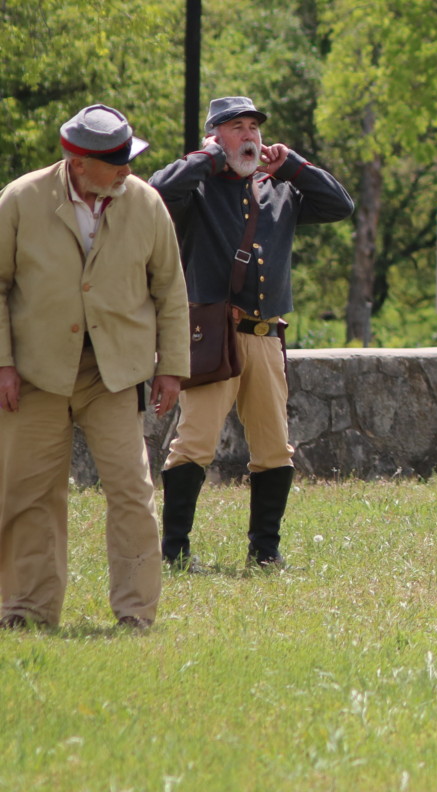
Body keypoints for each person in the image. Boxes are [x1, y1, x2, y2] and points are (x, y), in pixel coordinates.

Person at [0, 105, 188, 630]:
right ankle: (25, 610)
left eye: (130, 155)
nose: (127, 167)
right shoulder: (19, 200)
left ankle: (136, 614)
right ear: (78, 162)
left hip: (114, 374)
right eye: (115, 159)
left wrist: (171, 367)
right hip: (36, 372)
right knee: (28, 492)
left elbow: (171, 289)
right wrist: (2, 364)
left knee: (132, 490)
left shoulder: (147, 203)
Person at [149, 96, 354, 569]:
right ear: (216, 137)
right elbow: (156, 191)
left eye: (253, 128)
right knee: (195, 442)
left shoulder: (277, 188)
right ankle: (174, 551)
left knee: (273, 447)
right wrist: (203, 159)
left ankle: (265, 551)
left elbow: (339, 205)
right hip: (212, 334)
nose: (249, 136)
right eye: (236, 127)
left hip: (265, 336)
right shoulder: (196, 189)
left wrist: (295, 166)